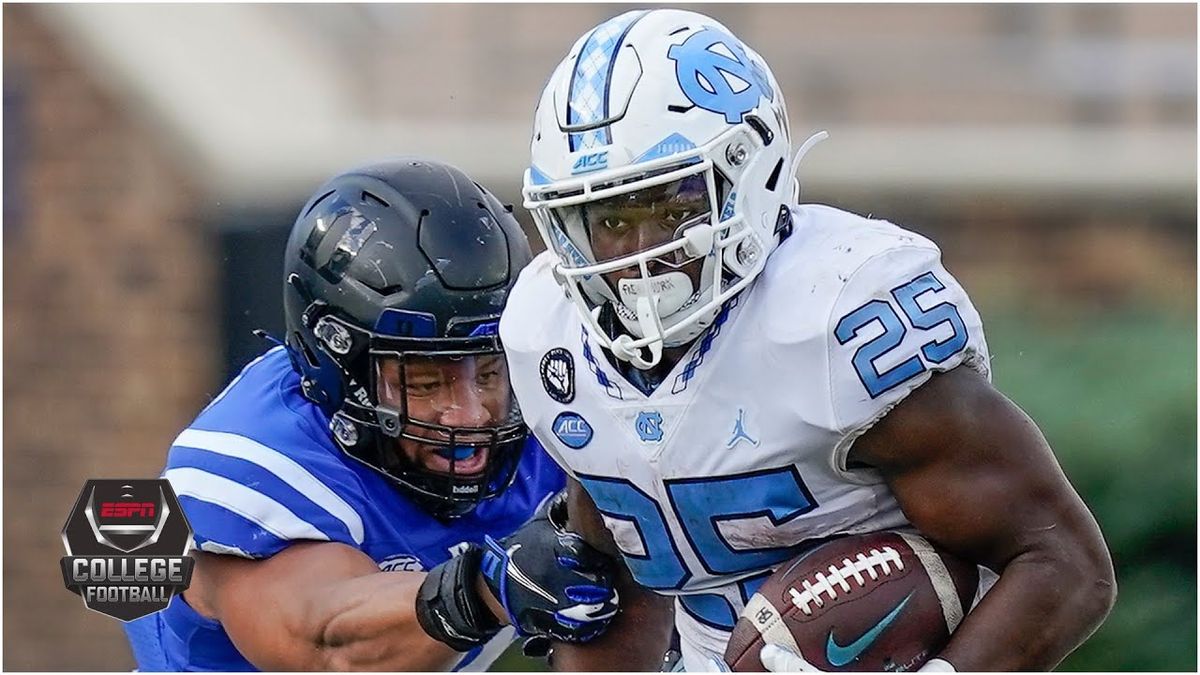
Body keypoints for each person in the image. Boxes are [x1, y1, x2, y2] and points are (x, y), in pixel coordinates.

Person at [500, 8, 1115, 672]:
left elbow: (1064, 563)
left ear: (750, 174)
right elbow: (612, 575)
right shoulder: (550, 336)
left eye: (673, 208)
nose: (639, 255)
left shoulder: (837, 321)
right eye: (610, 218)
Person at [122, 158, 619, 671]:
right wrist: (483, 589)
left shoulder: (550, 407)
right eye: (426, 383)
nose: (471, 414)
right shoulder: (264, 460)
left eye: (490, 373)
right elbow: (329, 648)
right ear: (340, 364)